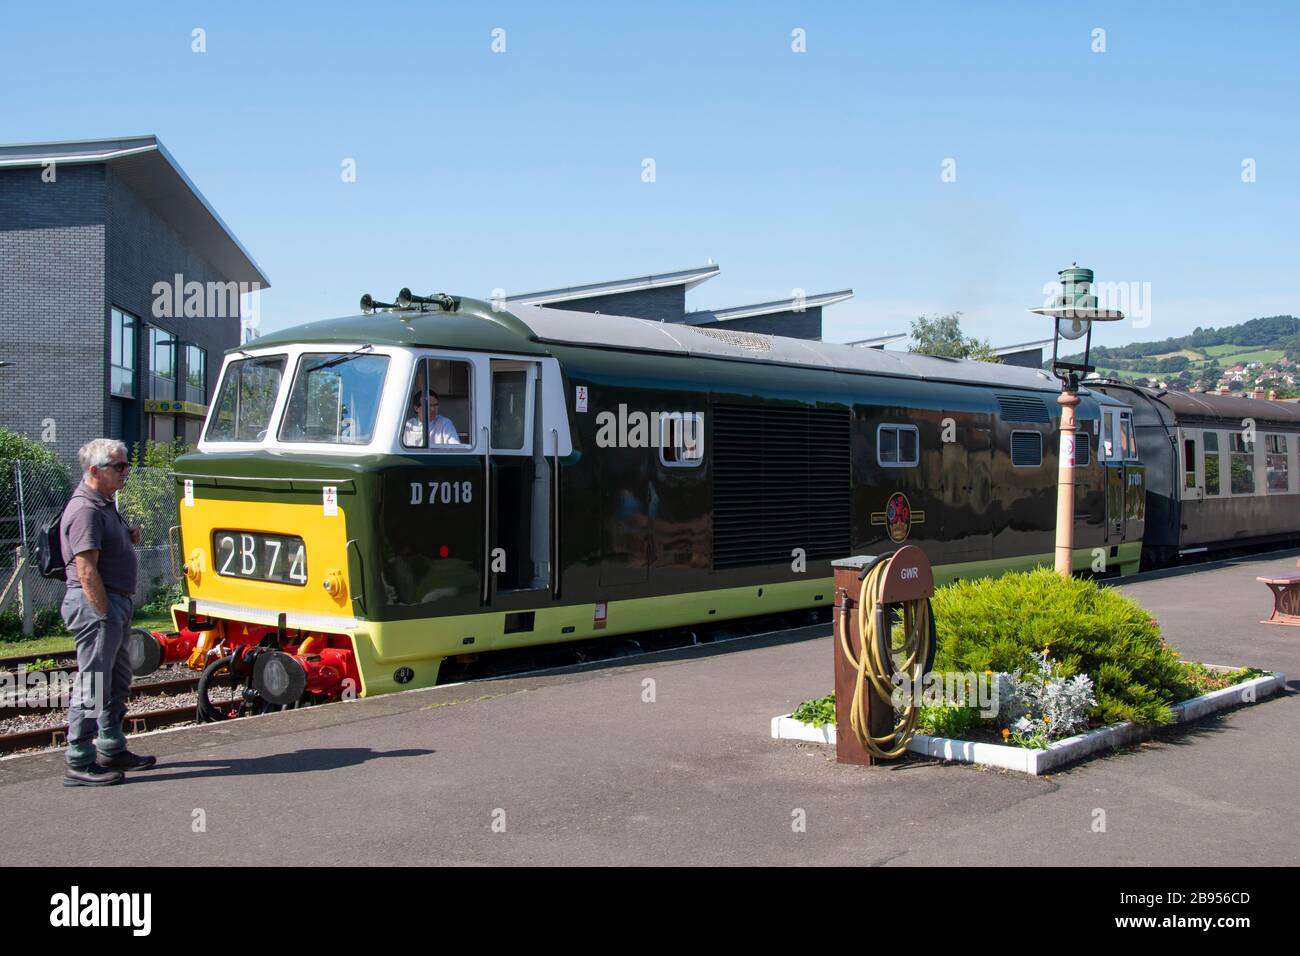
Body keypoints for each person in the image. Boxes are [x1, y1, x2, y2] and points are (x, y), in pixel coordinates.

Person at [59, 438, 156, 786]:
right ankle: (79, 760)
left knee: (116, 680)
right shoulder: (85, 509)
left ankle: (111, 747)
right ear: (95, 470)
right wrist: (104, 615)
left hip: (113, 604)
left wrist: (124, 536)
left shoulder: (103, 503)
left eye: (126, 464)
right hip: (98, 607)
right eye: (119, 466)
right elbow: (86, 570)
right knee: (94, 683)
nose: (125, 471)